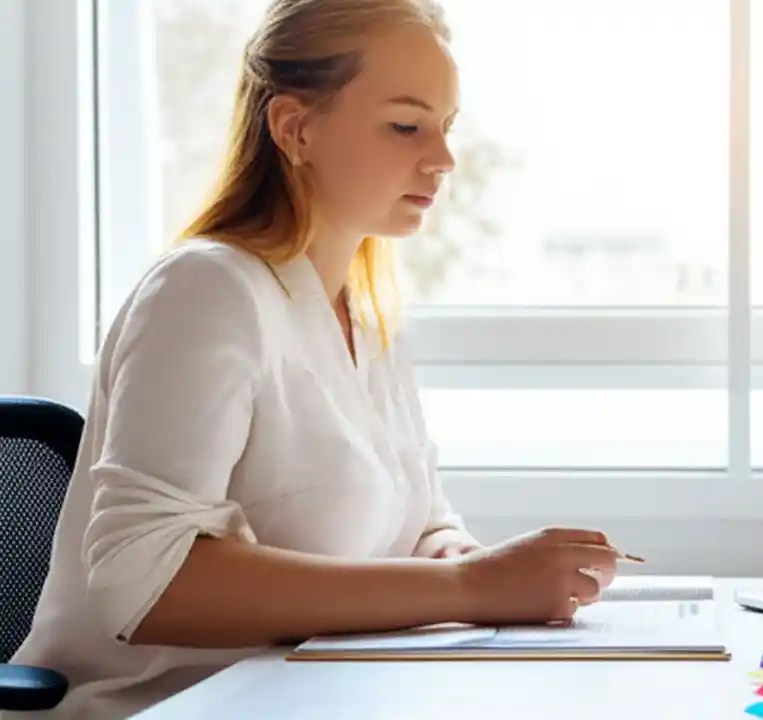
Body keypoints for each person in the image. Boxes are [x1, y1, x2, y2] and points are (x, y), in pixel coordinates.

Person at [8, 2, 619, 717]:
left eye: (446, 127)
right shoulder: (206, 290)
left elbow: (420, 523)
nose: (443, 159)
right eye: (406, 125)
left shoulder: (365, 315)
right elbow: (146, 581)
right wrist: (472, 587)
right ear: (295, 129)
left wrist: (459, 558)